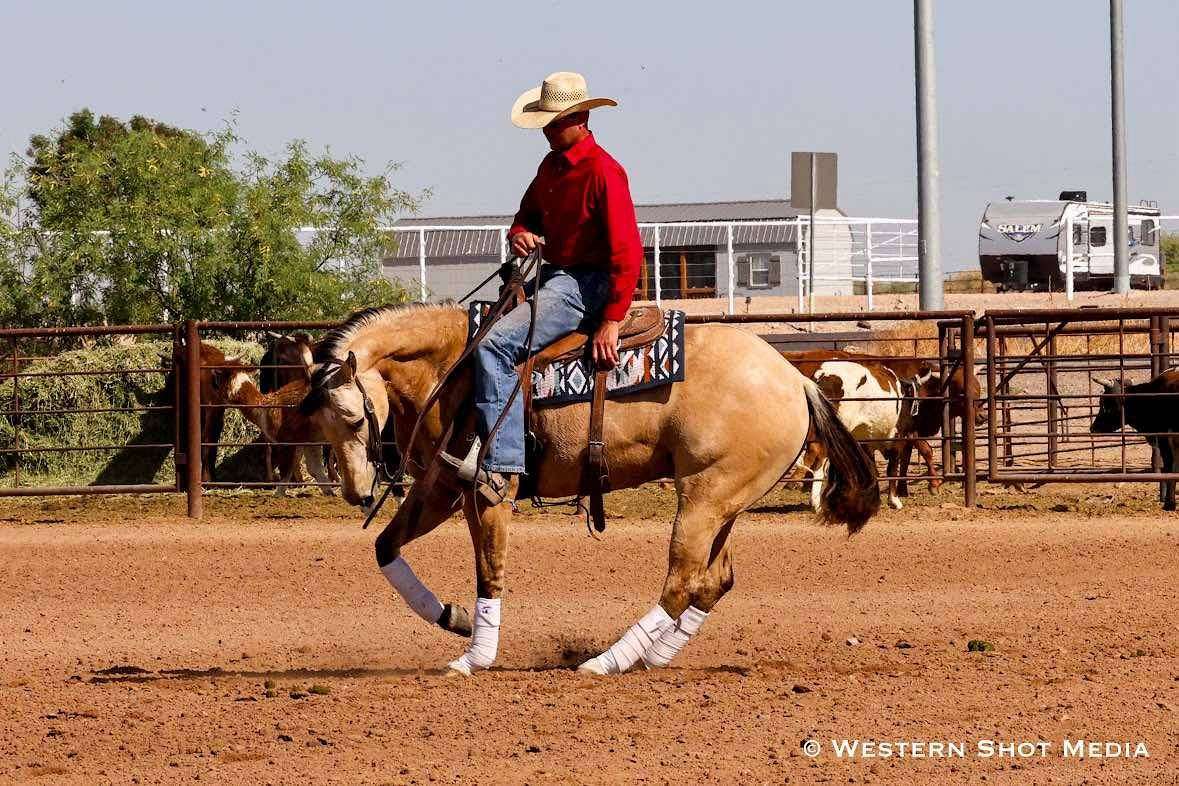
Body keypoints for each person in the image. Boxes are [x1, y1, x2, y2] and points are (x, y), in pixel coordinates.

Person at [441, 71, 643, 503]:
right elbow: (525, 216)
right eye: (546, 123)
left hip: (586, 284)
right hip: (555, 277)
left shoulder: (606, 172)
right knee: (476, 333)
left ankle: (504, 465)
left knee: (494, 346)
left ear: (583, 118)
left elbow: (628, 252)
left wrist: (611, 319)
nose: (548, 131)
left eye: (556, 122)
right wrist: (519, 234)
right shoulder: (550, 168)